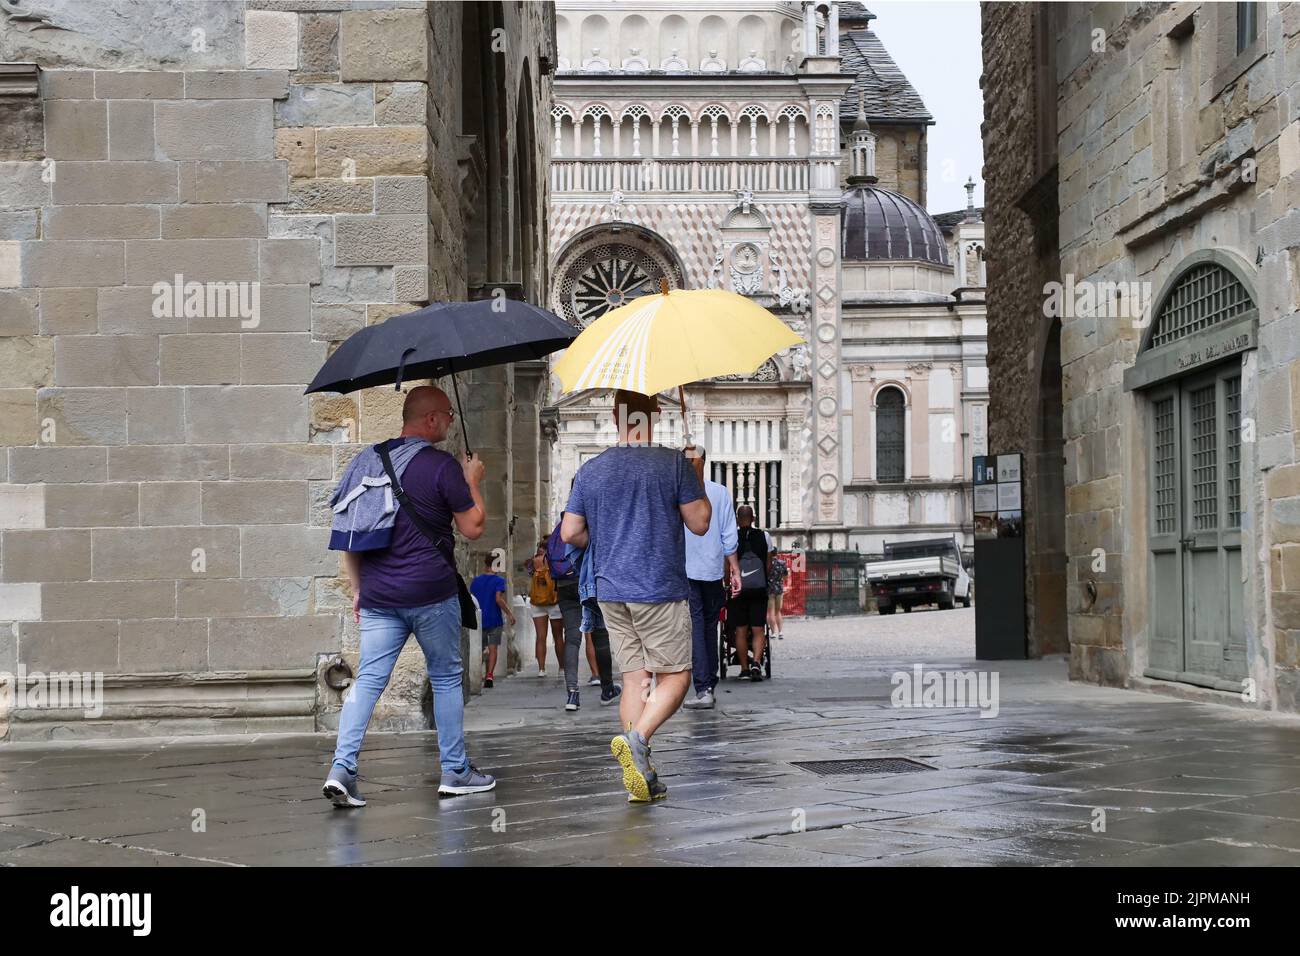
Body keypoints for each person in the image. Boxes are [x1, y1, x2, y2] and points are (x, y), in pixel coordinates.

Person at [323, 385, 495, 808]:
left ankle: (342, 769)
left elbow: (350, 532)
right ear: (431, 420)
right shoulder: (441, 466)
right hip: (432, 593)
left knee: (368, 683)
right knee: (446, 677)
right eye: (449, 415)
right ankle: (455, 771)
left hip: (381, 595)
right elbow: (474, 527)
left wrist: (358, 589)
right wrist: (473, 480)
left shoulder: (368, 461)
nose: (453, 421)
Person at [560, 389, 710, 803]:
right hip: (658, 587)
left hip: (611, 589)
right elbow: (699, 523)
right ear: (656, 414)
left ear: (614, 415)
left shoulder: (591, 470)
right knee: (677, 676)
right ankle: (638, 740)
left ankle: (640, 778)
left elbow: (570, 533)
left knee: (635, 680)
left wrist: (606, 537)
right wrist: (696, 471)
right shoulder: (673, 464)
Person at [681, 445, 739, 710]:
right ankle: (708, 685)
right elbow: (729, 534)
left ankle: (704, 687)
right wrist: (734, 568)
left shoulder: (679, 495)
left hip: (690, 570)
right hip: (712, 569)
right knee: (707, 628)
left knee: (698, 629)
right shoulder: (720, 492)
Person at [560, 529, 621, 711]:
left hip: (565, 584)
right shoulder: (594, 516)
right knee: (599, 635)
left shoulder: (561, 528)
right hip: (589, 579)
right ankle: (607, 689)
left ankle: (572, 694)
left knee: (571, 639)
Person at [730, 504, 770, 682]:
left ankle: (744, 669)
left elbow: (727, 563)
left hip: (739, 590)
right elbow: (768, 563)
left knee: (740, 629)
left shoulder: (732, 537)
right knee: (758, 628)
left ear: (737, 519)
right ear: (753, 519)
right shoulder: (764, 536)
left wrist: (727, 582)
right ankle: (756, 662)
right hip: (759, 589)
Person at [470, 553, 515, 688]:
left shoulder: (476, 581)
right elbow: (498, 599)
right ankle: (489, 675)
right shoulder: (498, 581)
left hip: (479, 620)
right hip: (494, 619)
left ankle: (477, 674)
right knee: (493, 648)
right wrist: (509, 613)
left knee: (479, 648)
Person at [525, 539, 563, 676]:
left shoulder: (532, 563)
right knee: (558, 636)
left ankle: (541, 669)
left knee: (540, 636)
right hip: (553, 601)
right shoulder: (554, 561)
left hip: (537, 602)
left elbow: (527, 571)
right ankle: (561, 668)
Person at [768, 550, 789, 641]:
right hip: (779, 589)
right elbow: (785, 577)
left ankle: (773, 633)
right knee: (778, 611)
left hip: (769, 589)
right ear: (777, 553)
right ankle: (780, 632)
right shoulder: (782, 563)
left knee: (770, 612)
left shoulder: (767, 564)